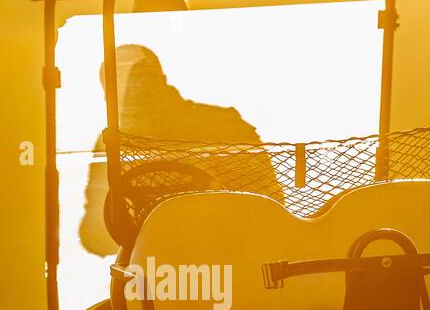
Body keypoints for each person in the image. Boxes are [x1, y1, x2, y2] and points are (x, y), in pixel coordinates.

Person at [79, 44, 282, 256]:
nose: (132, 91)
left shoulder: (113, 144)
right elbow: (95, 237)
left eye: (136, 81)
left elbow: (95, 238)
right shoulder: (225, 124)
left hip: (168, 273)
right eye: (122, 85)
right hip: (223, 269)